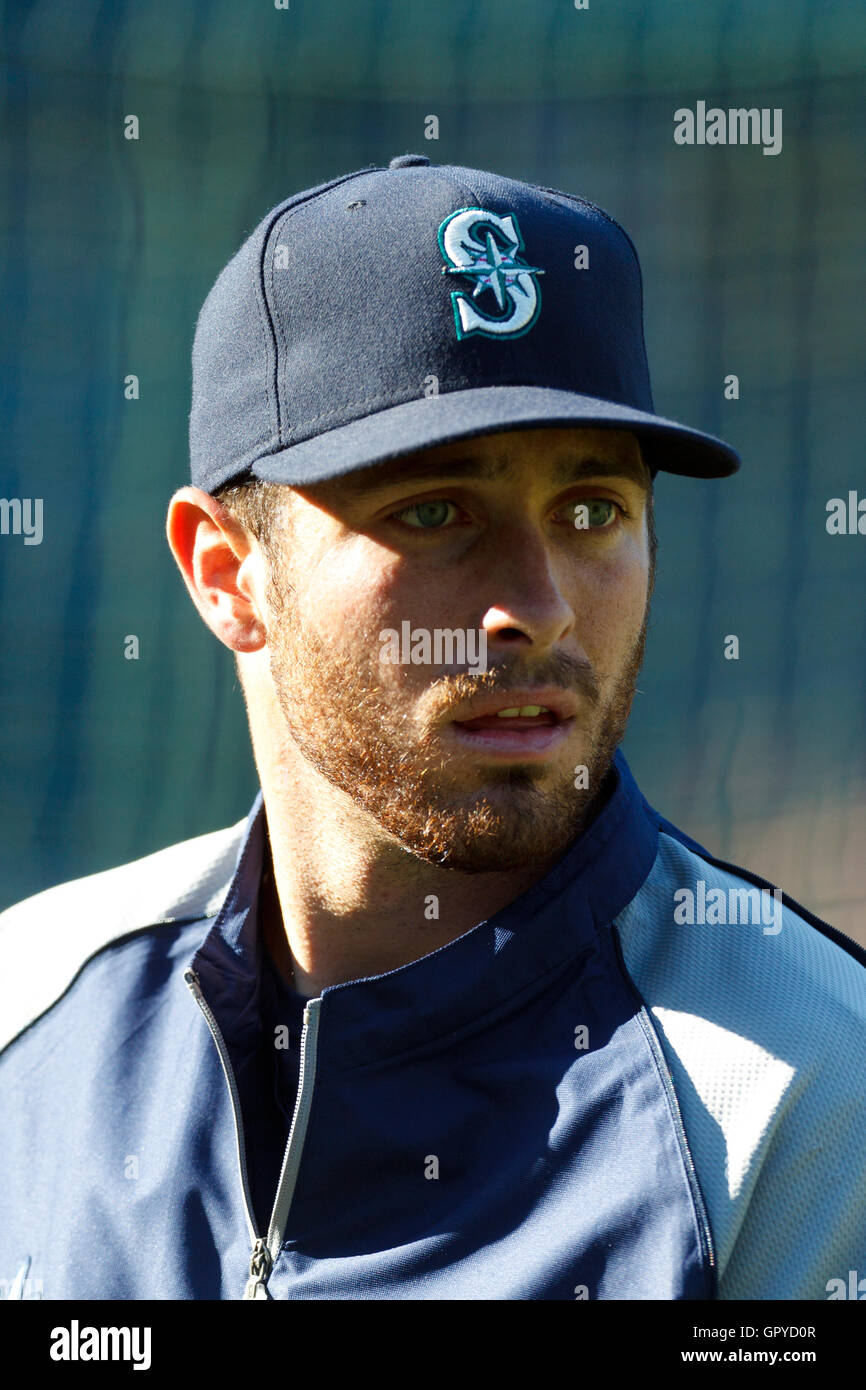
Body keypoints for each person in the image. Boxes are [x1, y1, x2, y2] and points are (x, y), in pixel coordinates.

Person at [1, 155, 864, 1302]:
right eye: (435, 511)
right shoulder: (29, 1011)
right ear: (227, 573)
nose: (538, 606)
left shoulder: (804, 1100)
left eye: (592, 508)